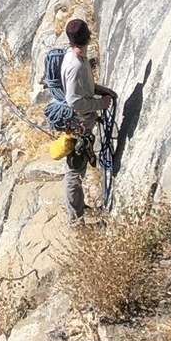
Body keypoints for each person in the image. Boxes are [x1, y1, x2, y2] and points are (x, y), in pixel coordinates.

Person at [59, 17, 115, 220]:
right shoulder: (75, 65)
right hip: (78, 123)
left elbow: (83, 88)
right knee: (75, 171)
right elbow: (74, 100)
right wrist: (101, 104)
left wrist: (101, 90)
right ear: (88, 37)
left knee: (77, 167)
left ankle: (79, 208)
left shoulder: (73, 57)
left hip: (80, 120)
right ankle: (75, 219)